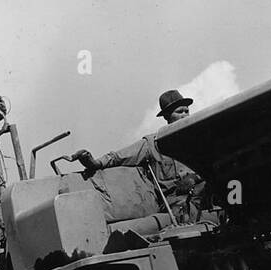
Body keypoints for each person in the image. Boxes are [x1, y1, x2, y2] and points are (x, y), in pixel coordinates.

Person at [70, 89, 211, 225]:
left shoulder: (198, 139)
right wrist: (93, 163)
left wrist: (194, 178)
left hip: (204, 194)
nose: (184, 115)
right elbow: (118, 157)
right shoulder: (152, 144)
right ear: (167, 116)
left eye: (187, 111)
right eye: (179, 112)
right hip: (177, 203)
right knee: (184, 216)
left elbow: (213, 164)